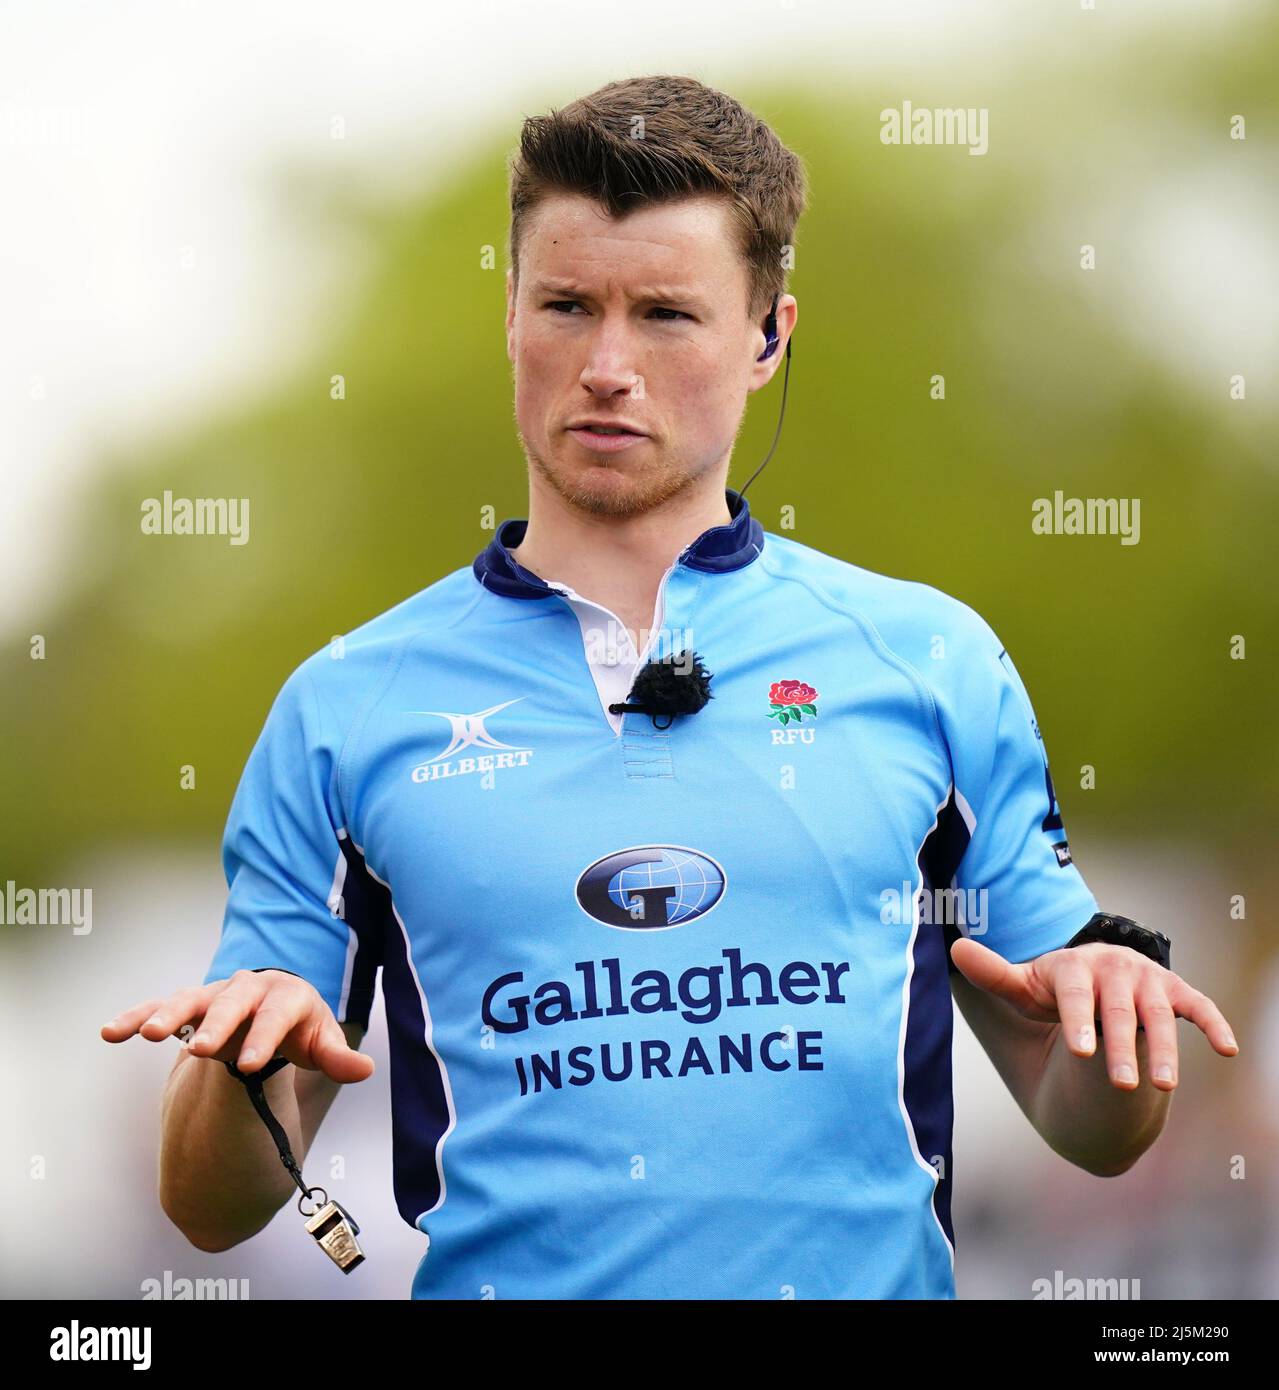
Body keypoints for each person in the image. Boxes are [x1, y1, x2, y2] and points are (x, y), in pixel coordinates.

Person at [102, 74, 1239, 1300]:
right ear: (510, 317)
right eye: (567, 304)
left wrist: (1112, 1040)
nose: (605, 364)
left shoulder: (930, 658)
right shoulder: (341, 709)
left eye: (664, 315)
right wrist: (237, 1068)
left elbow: (1090, 1129)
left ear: (768, 338)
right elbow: (211, 1208)